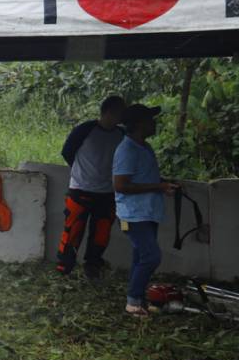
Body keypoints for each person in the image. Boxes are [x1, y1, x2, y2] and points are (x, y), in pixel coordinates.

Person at [113, 104, 177, 317]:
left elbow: (143, 178)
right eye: (150, 119)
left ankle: (136, 299)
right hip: (132, 214)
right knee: (151, 257)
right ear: (139, 124)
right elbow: (120, 185)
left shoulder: (144, 147)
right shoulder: (127, 150)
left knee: (140, 256)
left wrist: (163, 183)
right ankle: (132, 302)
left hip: (147, 212)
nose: (154, 123)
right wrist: (159, 187)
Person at [56, 95, 127, 278]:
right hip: (80, 190)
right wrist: (82, 172)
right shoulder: (85, 130)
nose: (123, 115)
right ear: (109, 112)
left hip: (107, 193)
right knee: (73, 231)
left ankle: (93, 267)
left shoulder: (122, 135)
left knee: (101, 234)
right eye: (120, 111)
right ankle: (64, 269)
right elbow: (67, 152)